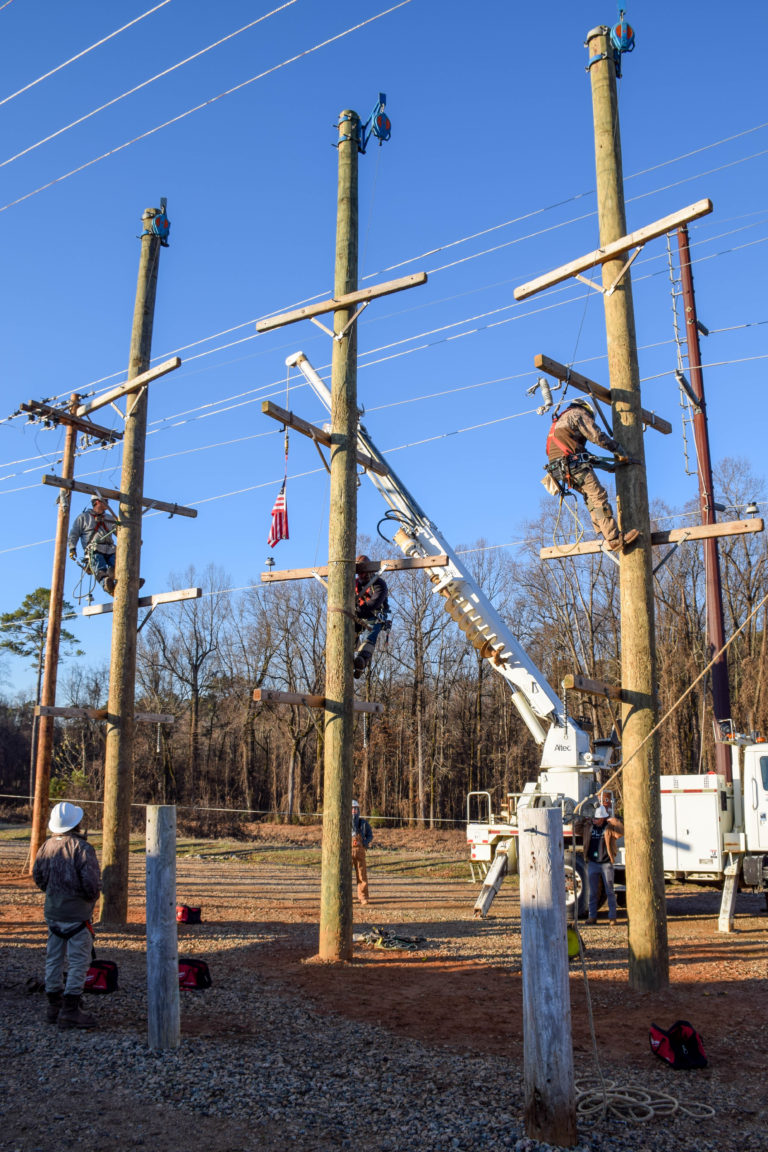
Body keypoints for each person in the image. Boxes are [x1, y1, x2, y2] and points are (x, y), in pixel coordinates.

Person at [32, 801, 102, 1029]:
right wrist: (89, 899)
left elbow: (38, 877)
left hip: (53, 913)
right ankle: (70, 1009)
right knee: (78, 961)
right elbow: (91, 884)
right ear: (76, 823)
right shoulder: (82, 848)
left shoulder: (46, 847)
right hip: (77, 916)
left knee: (53, 958)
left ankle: (54, 1005)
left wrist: (54, 894)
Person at [546, 398, 640, 552]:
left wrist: (609, 466)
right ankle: (613, 538)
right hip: (573, 466)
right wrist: (619, 450)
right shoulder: (577, 414)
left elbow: (586, 456)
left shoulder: (561, 422)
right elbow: (597, 436)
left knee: (591, 497)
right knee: (598, 496)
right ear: (587, 410)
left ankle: (603, 530)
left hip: (560, 470)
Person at [574, 803, 624, 926]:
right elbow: (576, 829)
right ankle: (592, 917)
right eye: (594, 818)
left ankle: (612, 918)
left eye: (596, 818)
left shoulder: (609, 828)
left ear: (602, 818)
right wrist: (583, 820)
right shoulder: (588, 827)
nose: (594, 820)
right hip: (593, 863)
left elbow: (621, 832)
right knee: (593, 892)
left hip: (606, 863)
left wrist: (616, 821)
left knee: (609, 891)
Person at [68, 494, 119, 595]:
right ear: (97, 502)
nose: (107, 503)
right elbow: (74, 533)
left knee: (118, 567)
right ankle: (106, 583)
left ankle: (128, 582)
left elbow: (120, 532)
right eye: (105, 501)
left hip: (110, 549)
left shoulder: (110, 518)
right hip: (94, 549)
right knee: (100, 568)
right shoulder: (84, 517)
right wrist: (72, 548)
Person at [353, 555, 390, 678]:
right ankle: (345, 650)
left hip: (373, 615)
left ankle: (362, 660)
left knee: (370, 636)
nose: (361, 575)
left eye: (363, 572)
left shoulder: (379, 584)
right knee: (349, 630)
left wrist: (357, 611)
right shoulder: (354, 584)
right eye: (359, 573)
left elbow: (373, 603)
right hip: (357, 614)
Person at [351, 799, 373, 905]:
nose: (354, 811)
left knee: (362, 874)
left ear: (358, 810)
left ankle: (363, 897)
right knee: (346, 875)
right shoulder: (344, 822)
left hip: (360, 851)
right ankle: (346, 897)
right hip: (347, 851)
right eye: (352, 809)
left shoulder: (363, 823)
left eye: (355, 809)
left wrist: (364, 842)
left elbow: (370, 835)